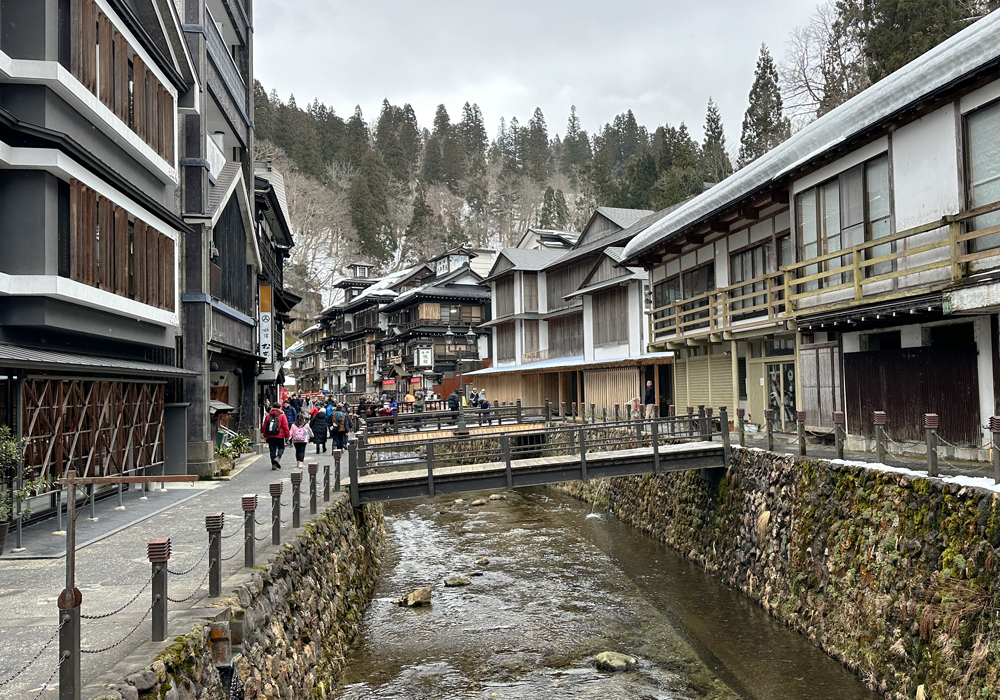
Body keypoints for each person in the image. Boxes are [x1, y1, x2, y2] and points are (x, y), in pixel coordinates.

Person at [262, 402, 290, 470]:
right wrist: (287, 435)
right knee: (281, 448)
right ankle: (278, 458)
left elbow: (264, 426)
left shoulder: (268, 416)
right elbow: (285, 426)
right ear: (280, 407)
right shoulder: (282, 415)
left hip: (270, 435)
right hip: (279, 435)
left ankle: (273, 465)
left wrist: (265, 435)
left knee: (272, 450)